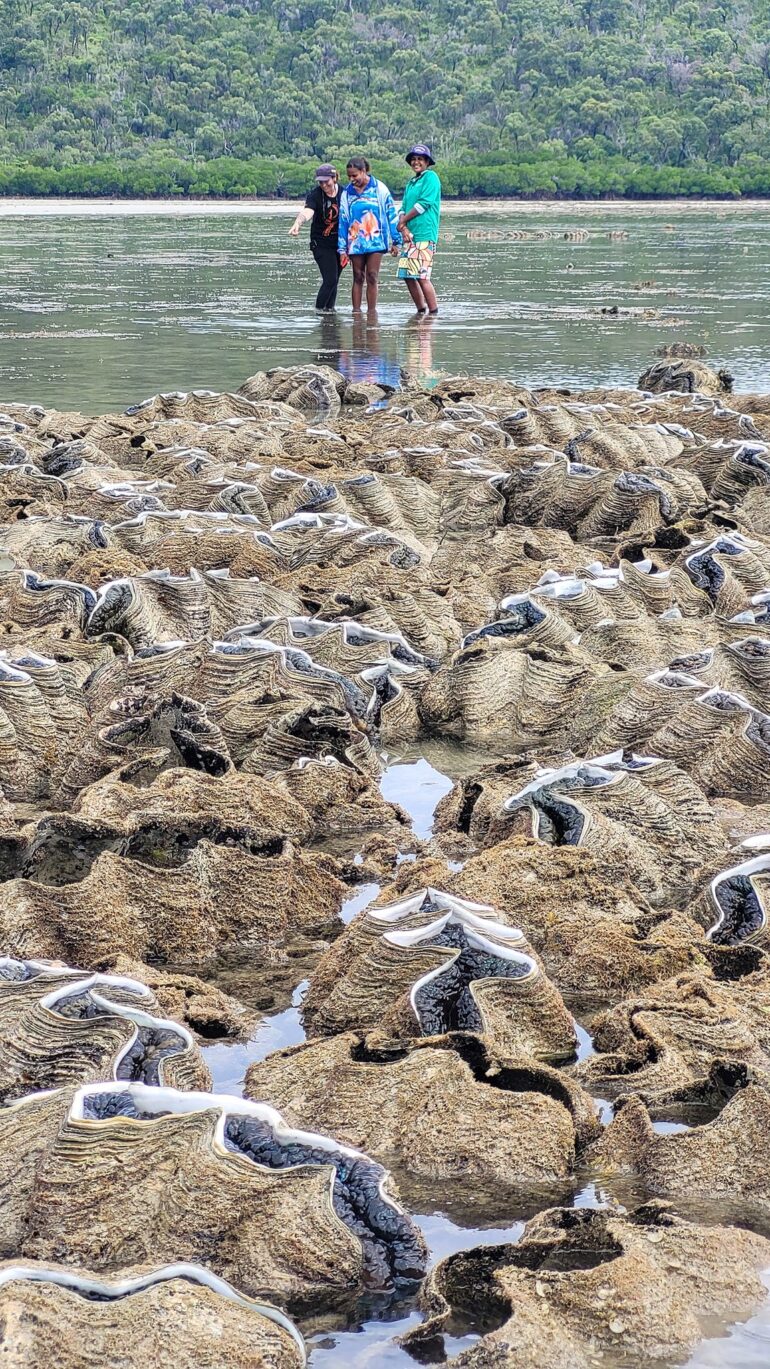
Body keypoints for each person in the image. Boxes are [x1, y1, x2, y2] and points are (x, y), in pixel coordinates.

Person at [338, 156, 401, 312]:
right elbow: (343, 220)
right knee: (358, 276)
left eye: (355, 175)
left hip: (376, 240)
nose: (352, 179)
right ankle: (356, 312)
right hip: (355, 241)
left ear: (363, 171)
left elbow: (391, 214)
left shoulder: (379, 188)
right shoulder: (347, 194)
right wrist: (342, 249)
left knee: (372, 275)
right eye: (349, 176)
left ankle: (372, 313)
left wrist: (396, 240)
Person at [288, 164, 344, 311]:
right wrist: (298, 223)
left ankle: (329, 313)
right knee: (330, 279)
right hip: (320, 243)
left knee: (334, 280)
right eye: (321, 182)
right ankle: (319, 311)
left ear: (335, 178)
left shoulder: (344, 193)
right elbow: (308, 211)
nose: (324, 185)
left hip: (341, 244)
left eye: (327, 181)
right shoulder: (315, 195)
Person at [397, 144, 441, 315]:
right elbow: (403, 207)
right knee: (408, 276)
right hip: (410, 236)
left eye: (420, 159)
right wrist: (403, 226)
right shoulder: (411, 183)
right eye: (413, 159)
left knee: (422, 276)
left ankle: (434, 313)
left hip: (424, 234)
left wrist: (403, 222)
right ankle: (421, 311)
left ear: (427, 162)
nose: (416, 162)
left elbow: (423, 204)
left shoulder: (431, 178)